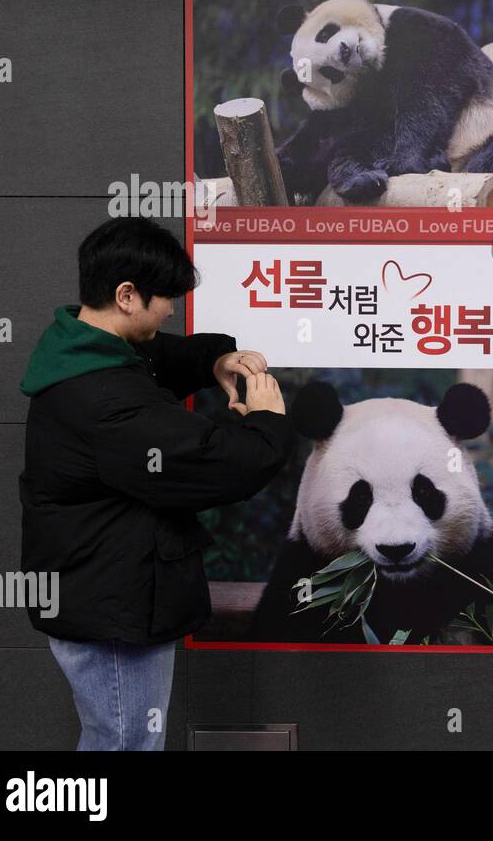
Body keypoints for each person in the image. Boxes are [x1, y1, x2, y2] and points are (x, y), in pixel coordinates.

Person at [18, 216, 297, 750]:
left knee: (115, 738)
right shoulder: (107, 401)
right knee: (125, 743)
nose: (172, 309)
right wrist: (269, 420)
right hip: (114, 609)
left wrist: (213, 357)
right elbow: (216, 462)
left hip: (100, 592)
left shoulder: (79, 347)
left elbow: (152, 356)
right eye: (165, 298)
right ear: (127, 295)